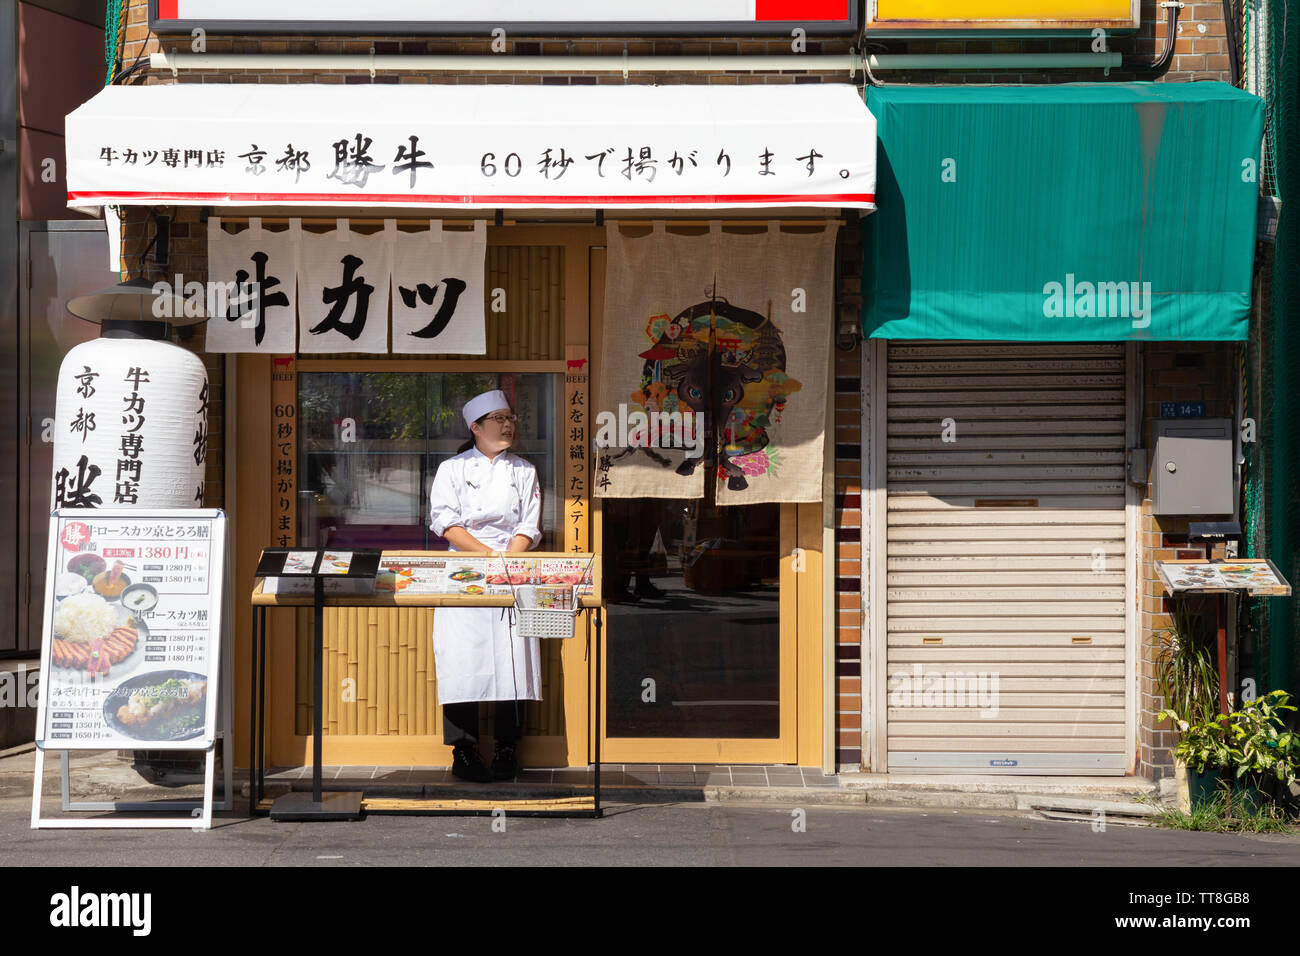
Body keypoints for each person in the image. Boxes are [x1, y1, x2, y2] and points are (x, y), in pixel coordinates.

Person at [428, 388, 542, 782]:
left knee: (514, 660)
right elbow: (445, 521)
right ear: (476, 428)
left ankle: (508, 748)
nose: (508, 424)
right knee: (463, 660)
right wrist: (486, 558)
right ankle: (464, 750)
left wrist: (508, 558)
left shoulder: (524, 471)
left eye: (510, 417)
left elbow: (529, 524)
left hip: (513, 567)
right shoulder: (452, 469)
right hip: (464, 571)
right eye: (498, 418)